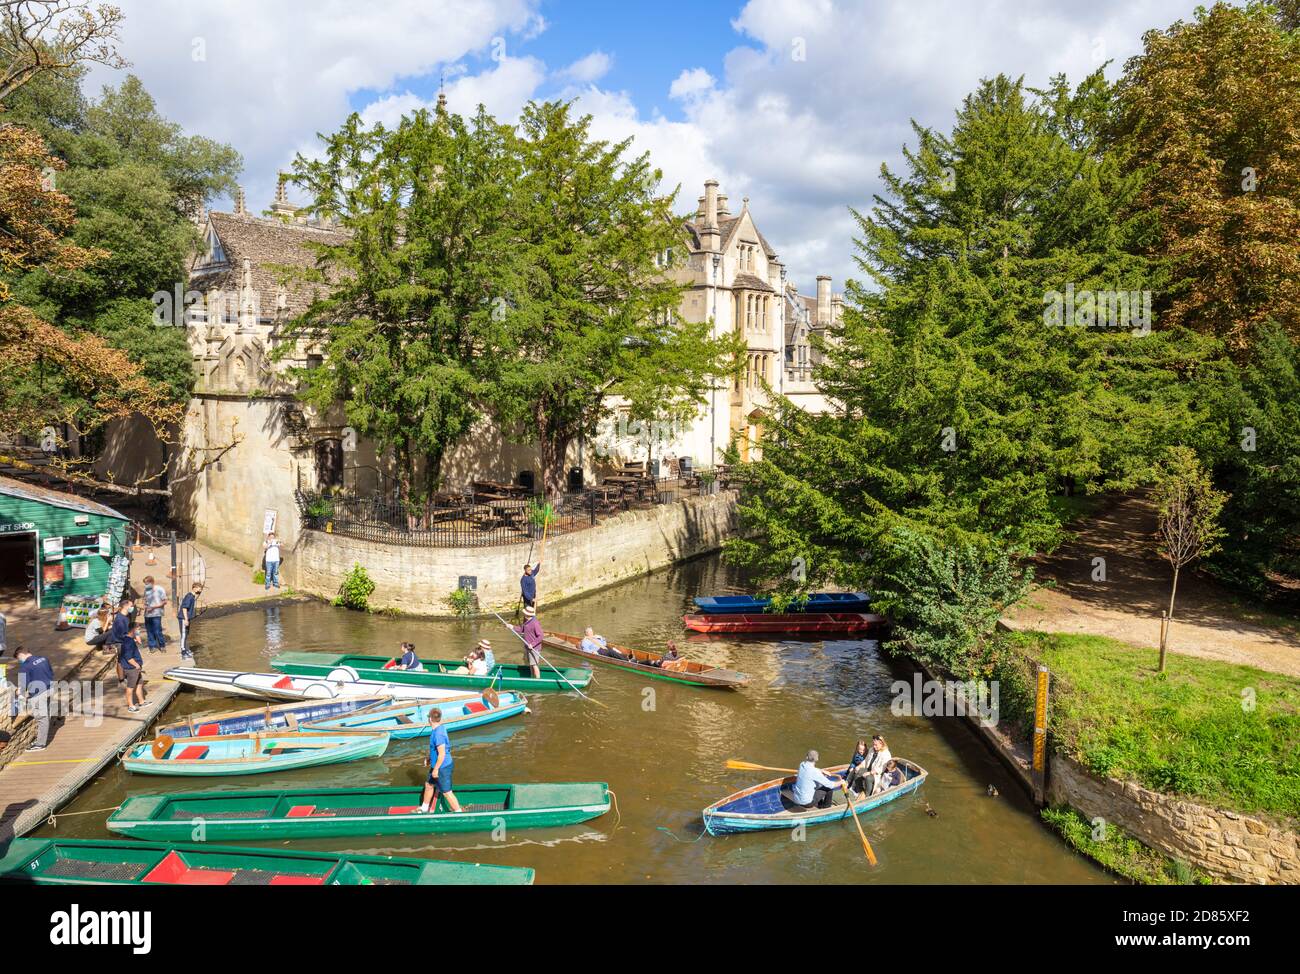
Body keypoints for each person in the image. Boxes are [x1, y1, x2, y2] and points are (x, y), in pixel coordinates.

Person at [419, 708, 462, 813]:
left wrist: (436, 769)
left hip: (443, 767)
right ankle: (424, 808)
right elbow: (436, 751)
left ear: (430, 719)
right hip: (437, 765)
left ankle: (459, 813)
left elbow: (442, 754)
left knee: (447, 792)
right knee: (429, 785)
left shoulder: (438, 734)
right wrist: (430, 758)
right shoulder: (439, 728)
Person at [13, 647, 55, 752]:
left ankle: (40, 744)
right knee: (45, 715)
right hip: (50, 689)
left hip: (39, 695)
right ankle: (41, 739)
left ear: (20, 655)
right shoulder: (44, 658)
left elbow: (23, 686)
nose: (19, 661)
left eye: (18, 659)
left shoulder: (25, 666)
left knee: (42, 718)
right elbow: (51, 673)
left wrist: (17, 692)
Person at [115, 607, 146, 713]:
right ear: (133, 630)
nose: (139, 631)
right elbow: (128, 657)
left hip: (136, 667)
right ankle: (130, 706)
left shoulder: (129, 640)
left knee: (139, 684)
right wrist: (137, 665)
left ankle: (141, 701)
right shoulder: (128, 642)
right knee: (130, 687)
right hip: (132, 668)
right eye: (138, 630)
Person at [512, 604, 543, 679]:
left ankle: (538, 680)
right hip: (527, 647)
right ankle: (532, 678)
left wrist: (532, 644)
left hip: (534, 648)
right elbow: (521, 629)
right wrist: (512, 627)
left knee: (534, 665)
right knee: (530, 665)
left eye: (525, 613)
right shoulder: (526, 621)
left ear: (528, 614)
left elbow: (541, 636)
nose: (524, 614)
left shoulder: (535, 623)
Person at [142, 575, 168, 653]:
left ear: (151, 582)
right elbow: (144, 600)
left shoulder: (160, 589)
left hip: (156, 614)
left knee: (157, 631)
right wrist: (145, 605)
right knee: (149, 631)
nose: (146, 585)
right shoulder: (146, 590)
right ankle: (152, 646)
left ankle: (162, 645)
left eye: (146, 583)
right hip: (147, 614)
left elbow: (165, 601)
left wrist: (153, 607)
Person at [178, 583, 201, 660]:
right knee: (184, 635)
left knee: (186, 634)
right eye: (199, 588)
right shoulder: (189, 597)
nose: (200, 590)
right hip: (183, 618)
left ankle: (186, 650)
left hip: (187, 618)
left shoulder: (192, 596)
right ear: (194, 588)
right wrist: (186, 619)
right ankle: (183, 653)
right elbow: (184, 608)